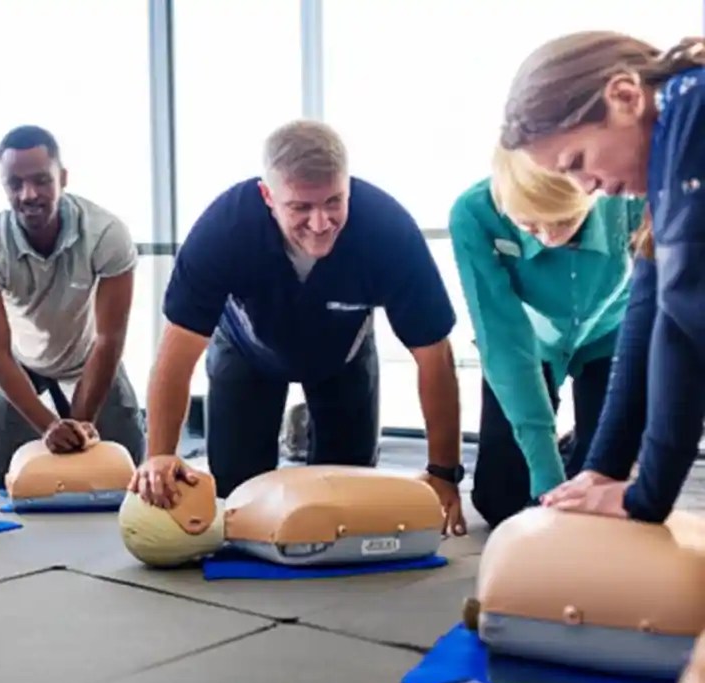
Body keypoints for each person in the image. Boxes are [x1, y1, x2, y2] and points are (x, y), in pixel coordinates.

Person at [131, 119, 468, 536]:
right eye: (300, 208)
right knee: (238, 500)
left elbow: (434, 354)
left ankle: (306, 433)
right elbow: (176, 354)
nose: (321, 222)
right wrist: (160, 455)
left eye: (333, 202)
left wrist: (443, 473)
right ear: (267, 196)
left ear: (349, 187)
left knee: (344, 502)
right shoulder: (224, 231)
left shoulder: (388, 230)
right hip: (246, 350)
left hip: (343, 354)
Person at [500, 31, 705, 524]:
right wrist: (603, 470)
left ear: (624, 96)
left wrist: (645, 497)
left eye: (577, 163)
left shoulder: (694, 113)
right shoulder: (671, 142)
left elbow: (684, 323)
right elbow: (647, 309)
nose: (587, 187)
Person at [448, 145, 642, 528]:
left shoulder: (628, 197)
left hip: (610, 330)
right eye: (531, 226)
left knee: (600, 491)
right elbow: (501, 337)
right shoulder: (473, 212)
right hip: (528, 339)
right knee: (501, 501)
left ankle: (577, 446)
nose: (550, 238)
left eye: (564, 222)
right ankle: (558, 449)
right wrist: (547, 482)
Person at [0, 125, 145, 486]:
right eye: (15, 184)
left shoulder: (108, 233)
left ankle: (110, 415)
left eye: (42, 180)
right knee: (0, 472)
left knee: (126, 465)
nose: (29, 194)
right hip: (19, 360)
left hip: (87, 355)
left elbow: (109, 338)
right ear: (4, 187)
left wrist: (79, 423)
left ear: (62, 177)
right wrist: (50, 427)